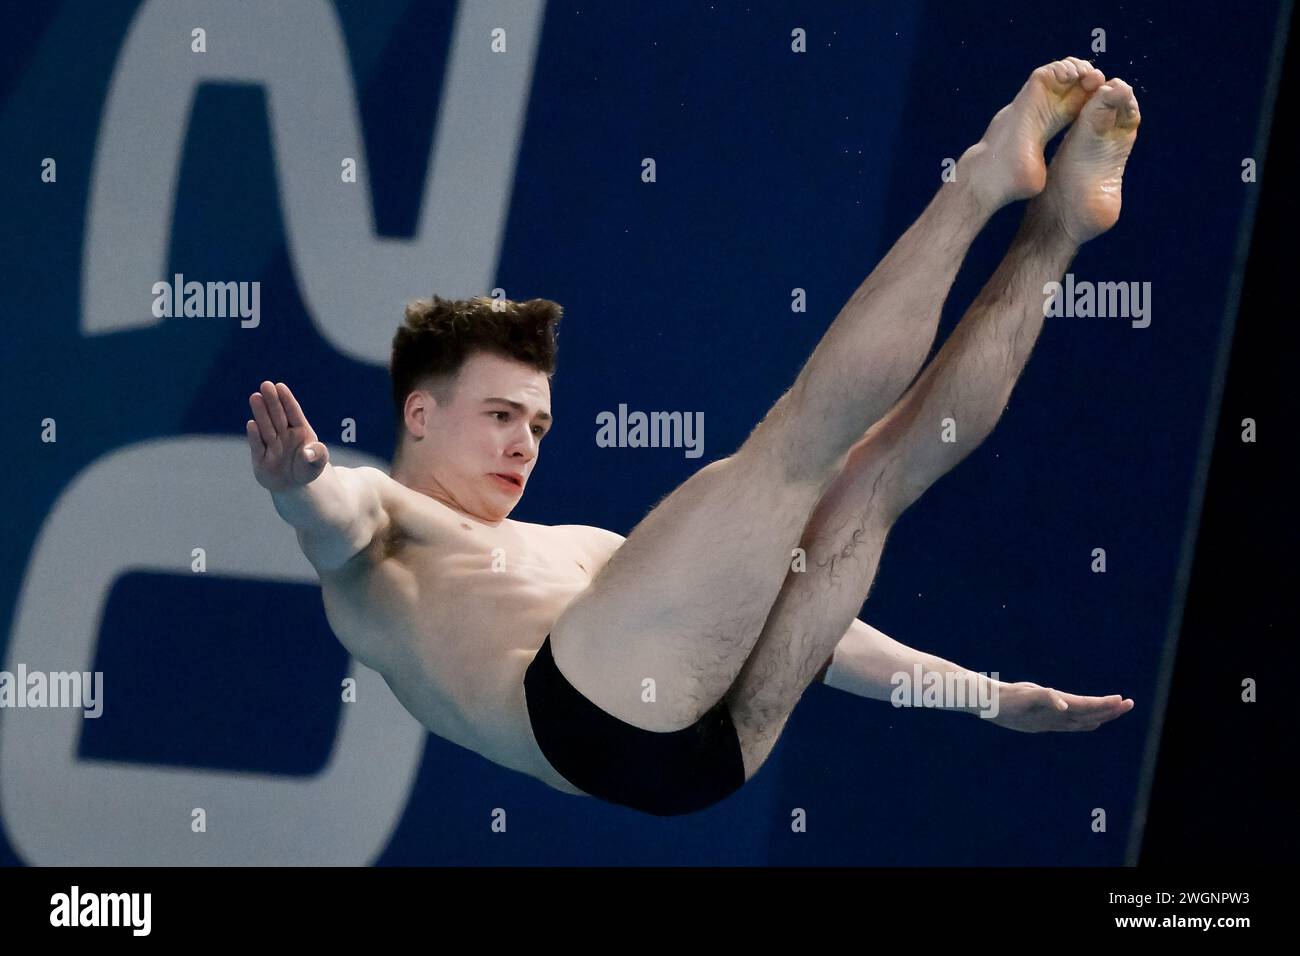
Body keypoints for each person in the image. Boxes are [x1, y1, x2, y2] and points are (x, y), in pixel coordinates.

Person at [247, 57, 1137, 817]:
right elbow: (337, 517)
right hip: (580, 715)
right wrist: (296, 482)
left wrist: (987, 699)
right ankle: (982, 175)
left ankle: (1057, 227)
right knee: (793, 448)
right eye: (500, 417)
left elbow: (823, 647)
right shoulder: (384, 541)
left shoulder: (583, 552)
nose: (525, 444)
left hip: (706, 765)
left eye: (540, 424)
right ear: (419, 414)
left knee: (884, 473)